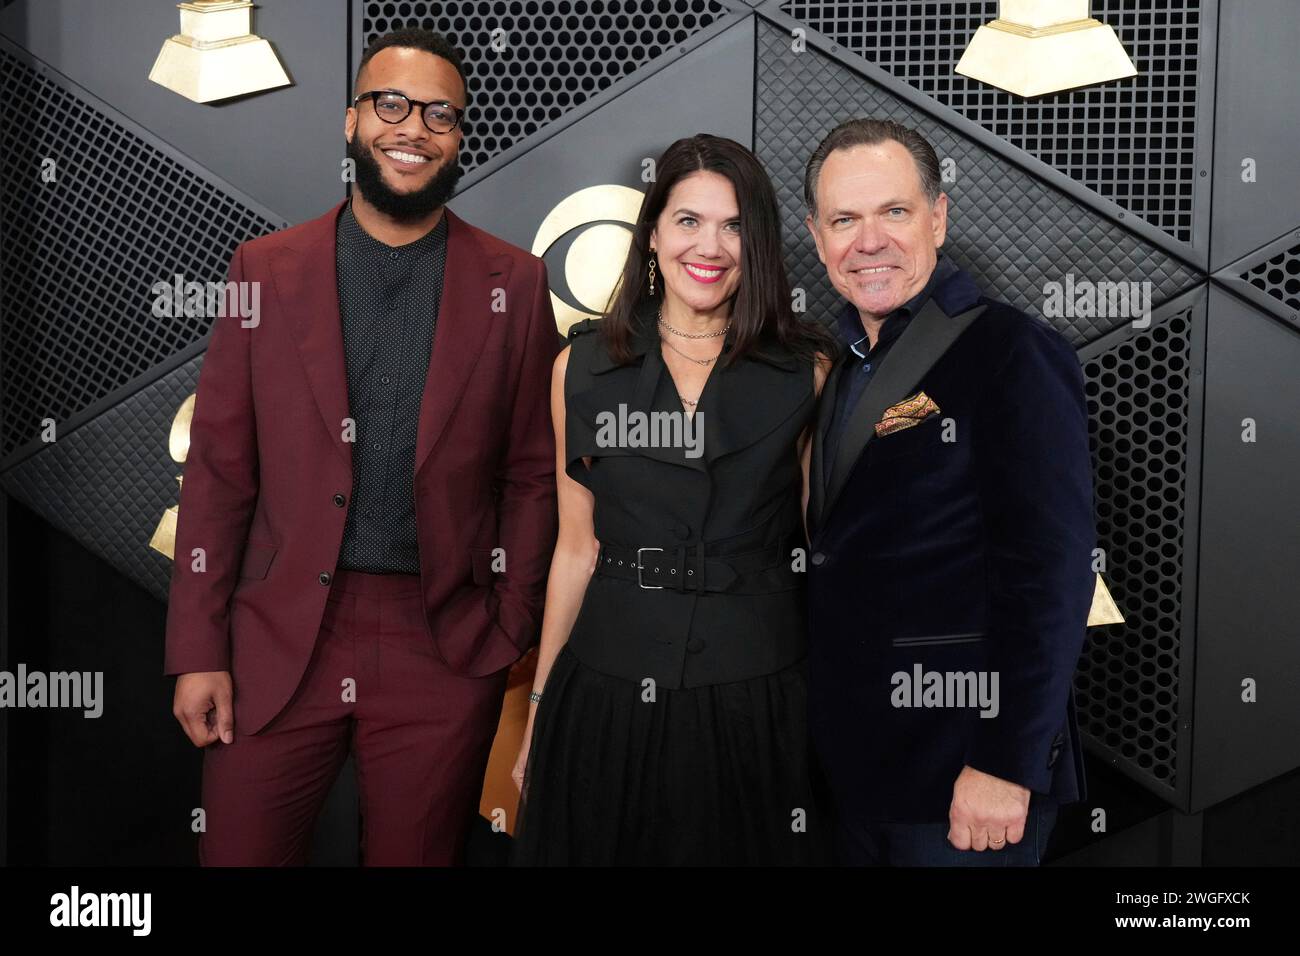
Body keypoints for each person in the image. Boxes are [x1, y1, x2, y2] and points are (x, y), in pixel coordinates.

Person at [164, 27, 558, 865]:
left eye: (438, 114)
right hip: (278, 638)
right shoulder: (265, 269)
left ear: (459, 136)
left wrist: (508, 624)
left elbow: (532, 474)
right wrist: (199, 650)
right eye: (390, 104)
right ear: (351, 121)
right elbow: (219, 472)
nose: (412, 128)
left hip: (443, 642)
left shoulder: (515, 284)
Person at [510, 134, 837, 865]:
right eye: (688, 220)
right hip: (606, 695)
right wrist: (536, 712)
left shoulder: (806, 371)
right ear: (652, 233)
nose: (710, 245)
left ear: (759, 243)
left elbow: (824, 551)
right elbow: (576, 550)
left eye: (733, 226)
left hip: (759, 701)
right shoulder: (582, 369)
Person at [802, 118, 1095, 866]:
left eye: (893, 212)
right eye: (845, 219)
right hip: (859, 778)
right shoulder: (841, 365)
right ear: (815, 234)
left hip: (967, 778)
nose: (869, 241)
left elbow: (1051, 575)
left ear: (938, 215)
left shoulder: (1009, 349)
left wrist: (1007, 763)